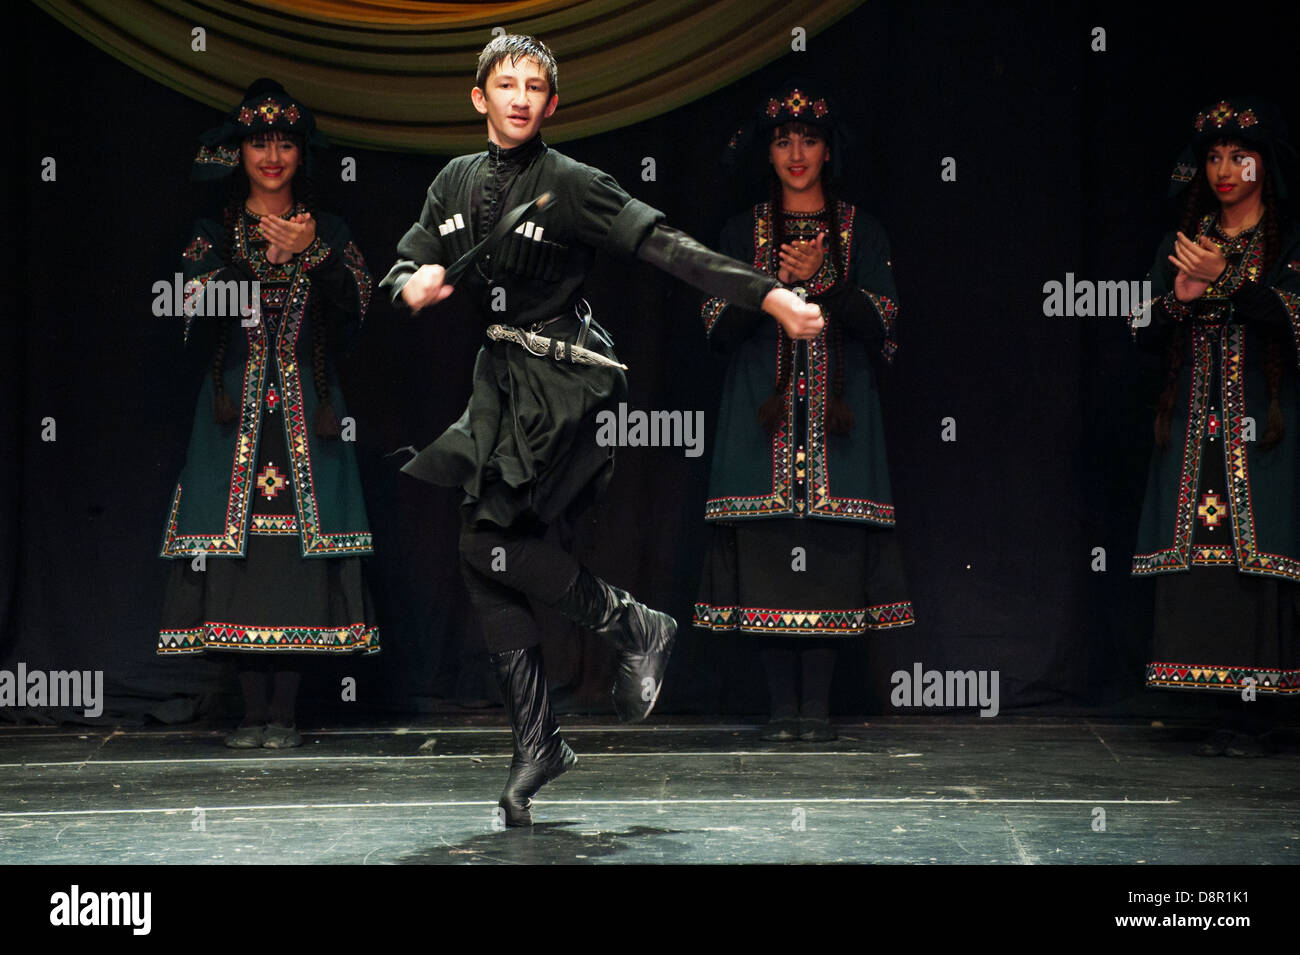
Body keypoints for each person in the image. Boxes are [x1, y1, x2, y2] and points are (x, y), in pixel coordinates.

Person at [381, 35, 824, 826]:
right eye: (505, 84)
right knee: (482, 553)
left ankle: (626, 629)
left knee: (487, 544)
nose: (520, 97)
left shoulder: (571, 185)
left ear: (552, 104)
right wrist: (409, 281)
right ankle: (543, 733)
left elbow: (669, 248)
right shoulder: (453, 181)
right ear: (478, 97)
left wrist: (769, 297)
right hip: (500, 383)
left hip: (564, 378)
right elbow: (408, 258)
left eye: (535, 87)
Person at [159, 79, 378, 748]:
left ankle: (284, 713)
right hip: (234, 414)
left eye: (285, 142)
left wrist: (310, 253)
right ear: (242, 152)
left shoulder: (329, 228)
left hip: (309, 416)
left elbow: (359, 313)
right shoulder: (213, 232)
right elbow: (190, 313)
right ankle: (249, 712)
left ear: (299, 153)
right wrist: (258, 265)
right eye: (260, 142)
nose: (273, 155)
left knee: (300, 557)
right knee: (241, 553)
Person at [693, 86, 914, 742]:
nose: (796, 154)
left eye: (809, 140)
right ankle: (779, 712)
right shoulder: (742, 231)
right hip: (761, 424)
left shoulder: (861, 231)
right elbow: (713, 326)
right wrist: (769, 283)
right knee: (766, 554)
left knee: (825, 559)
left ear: (828, 149)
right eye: (783, 140)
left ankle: (814, 711)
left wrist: (825, 281)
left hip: (836, 428)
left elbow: (884, 324)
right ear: (768, 150)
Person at [1129, 98, 1300, 756]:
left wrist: (1230, 279)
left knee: (1256, 560)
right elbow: (1140, 327)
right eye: (1213, 156)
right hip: (1197, 433)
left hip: (1265, 433)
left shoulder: (1287, 243)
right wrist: (1182, 297)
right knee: (1202, 560)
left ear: (1264, 163)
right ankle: (1209, 706)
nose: (1224, 169)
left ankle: (1257, 715)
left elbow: (1291, 320)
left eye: (1239, 155)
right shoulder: (1187, 237)